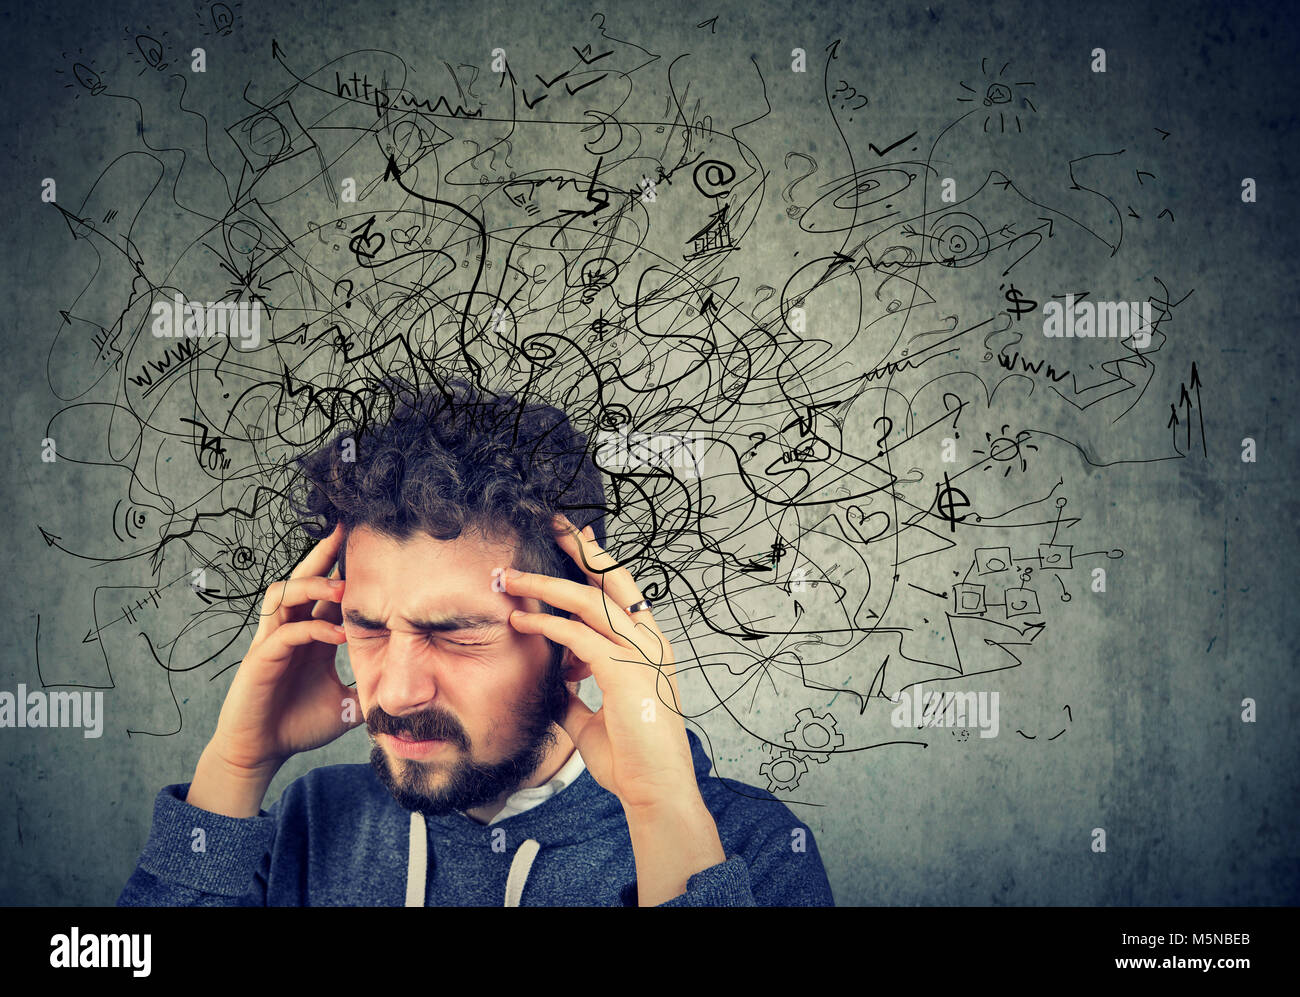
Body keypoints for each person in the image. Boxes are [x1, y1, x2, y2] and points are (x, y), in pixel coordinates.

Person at [117, 378, 834, 906]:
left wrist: (661, 811)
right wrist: (234, 769)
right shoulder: (308, 823)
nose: (394, 692)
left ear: (579, 642)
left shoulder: (752, 854)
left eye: (455, 633)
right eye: (367, 627)